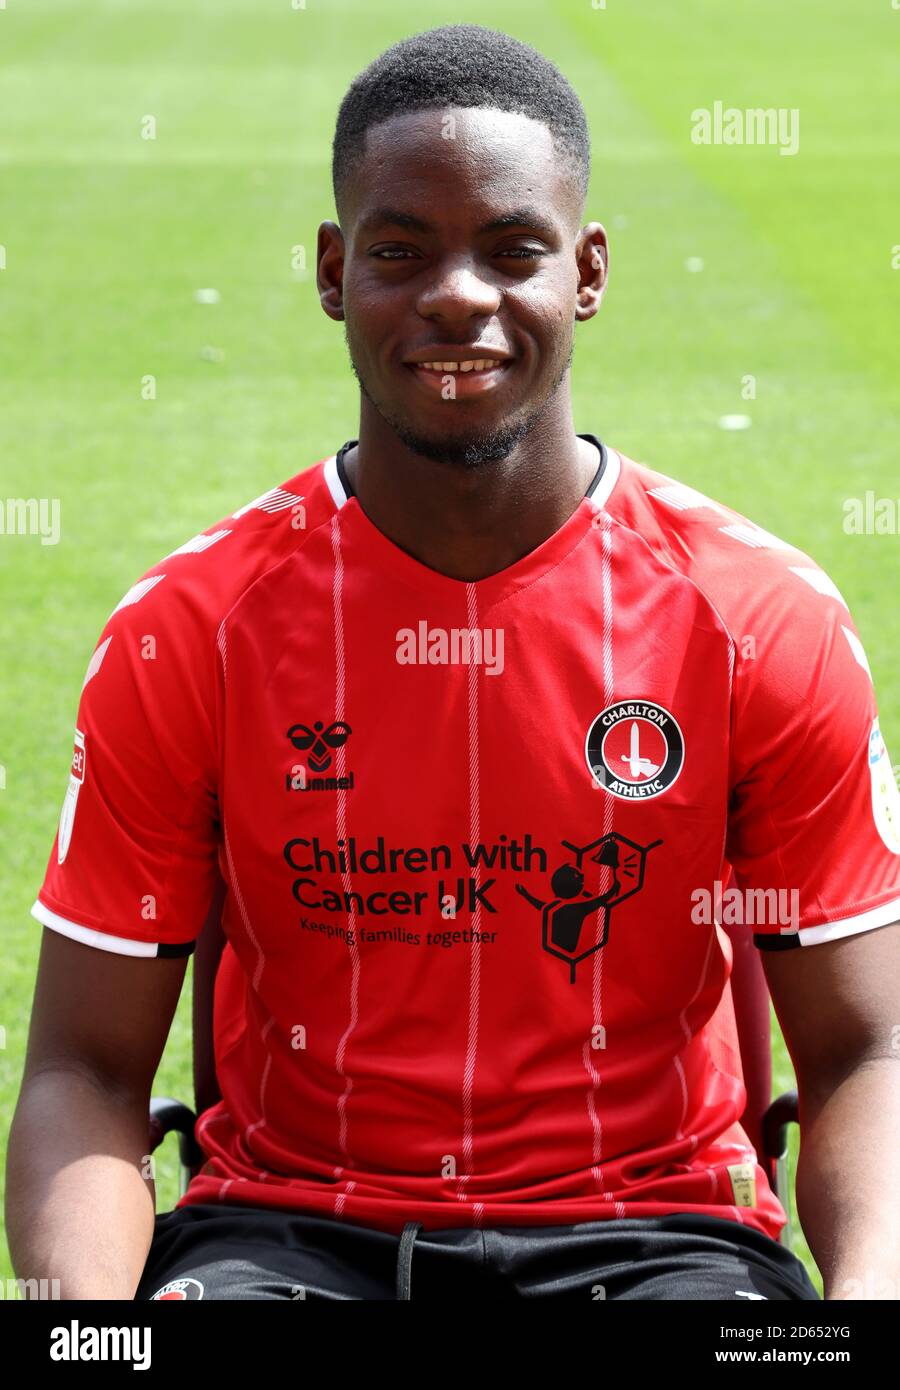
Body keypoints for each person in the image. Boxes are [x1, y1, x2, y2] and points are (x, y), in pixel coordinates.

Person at [7, 24, 900, 1302]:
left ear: (587, 273)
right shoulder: (190, 627)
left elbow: (870, 1049)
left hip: (656, 1236)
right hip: (287, 1233)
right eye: (400, 250)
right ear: (333, 271)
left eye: (514, 250)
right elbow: (84, 1071)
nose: (458, 296)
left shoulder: (758, 615)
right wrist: (86, 1330)